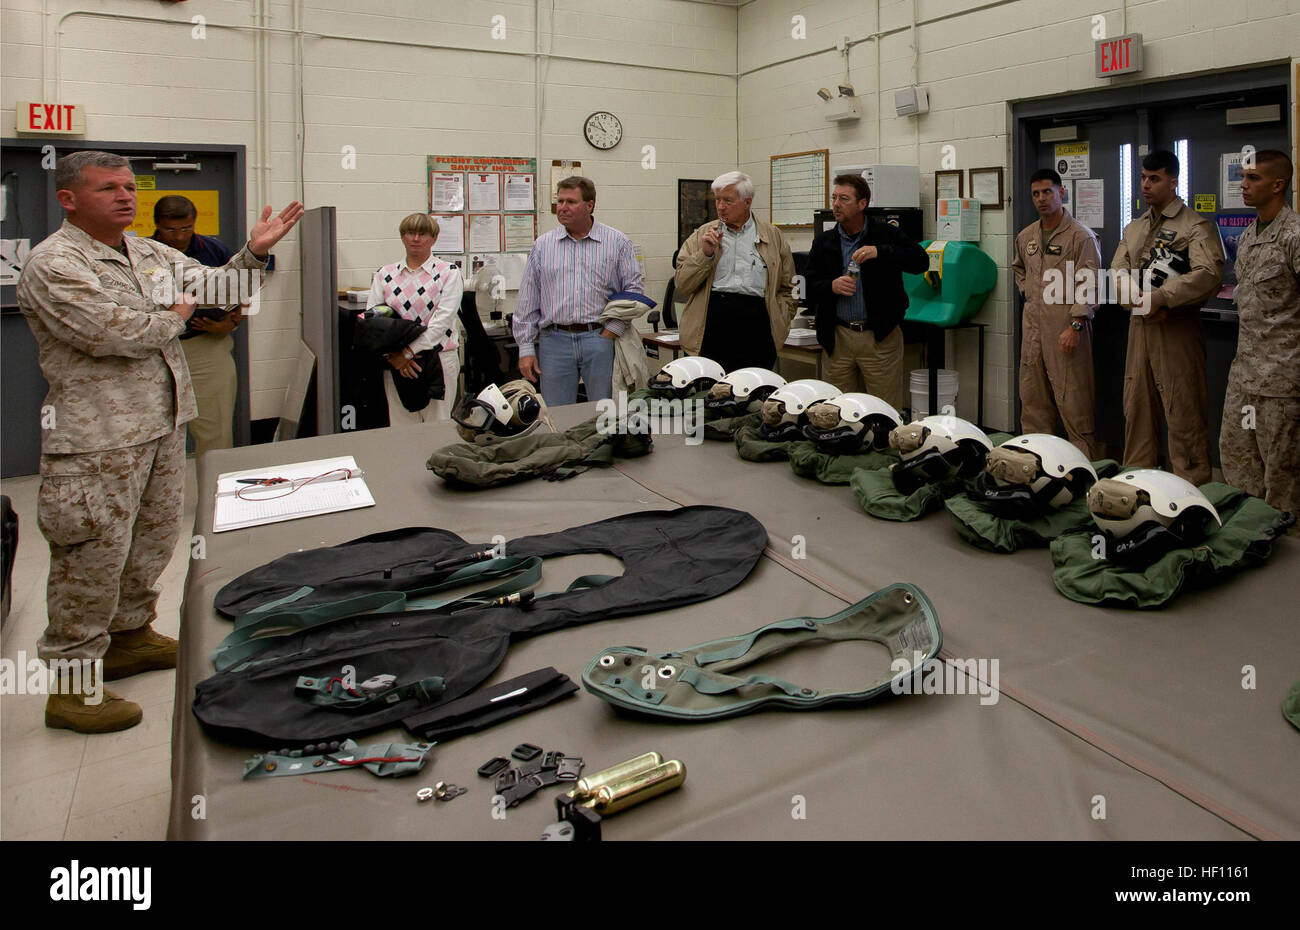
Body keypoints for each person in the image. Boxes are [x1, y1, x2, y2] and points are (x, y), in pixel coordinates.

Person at [16, 150, 303, 733]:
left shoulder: (148, 253)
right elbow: (114, 333)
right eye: (108, 188)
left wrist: (254, 253)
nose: (125, 196)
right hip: (96, 439)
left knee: (151, 541)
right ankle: (70, 687)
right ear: (69, 199)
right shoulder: (55, 263)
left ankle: (128, 636)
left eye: (128, 187)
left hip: (162, 424)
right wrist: (177, 316)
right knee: (90, 556)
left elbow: (221, 287)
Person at [1112, 149, 1224, 486]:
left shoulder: (1195, 226)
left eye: (1154, 179)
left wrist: (1161, 297)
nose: (1146, 185)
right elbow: (1117, 269)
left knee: (1183, 412)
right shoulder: (1135, 227)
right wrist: (1135, 298)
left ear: (1173, 182)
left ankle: (1191, 491)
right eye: (1143, 178)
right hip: (1139, 329)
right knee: (1136, 410)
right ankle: (1136, 486)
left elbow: (1208, 275)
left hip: (1176, 331)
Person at [1218, 149, 1300, 519]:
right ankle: (1247, 535)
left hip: (1282, 383)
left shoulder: (1294, 235)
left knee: (1282, 476)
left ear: (1277, 185)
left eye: (1253, 178)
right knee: (1238, 460)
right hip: (1245, 378)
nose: (1244, 185)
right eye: (1243, 178)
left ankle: (1285, 543)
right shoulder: (1249, 237)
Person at [512, 177, 643, 406]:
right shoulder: (543, 245)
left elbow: (633, 292)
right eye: (560, 201)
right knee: (557, 414)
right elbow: (528, 298)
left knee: (605, 411)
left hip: (600, 337)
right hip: (554, 341)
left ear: (589, 205)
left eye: (571, 202)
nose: (562, 207)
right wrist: (525, 347)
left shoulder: (617, 242)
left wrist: (611, 331)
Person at [806, 174, 928, 408]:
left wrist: (881, 252)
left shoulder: (886, 234)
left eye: (844, 199)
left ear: (862, 204)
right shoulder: (823, 242)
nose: (836, 204)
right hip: (838, 337)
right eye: (834, 198)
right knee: (838, 410)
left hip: (879, 337)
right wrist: (831, 286)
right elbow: (807, 286)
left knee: (882, 409)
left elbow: (920, 261)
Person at [1011, 168, 1103, 458]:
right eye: (1036, 194)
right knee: (1033, 401)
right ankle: (1036, 461)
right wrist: (1028, 291)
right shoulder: (1027, 236)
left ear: (1061, 193)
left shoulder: (1080, 237)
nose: (1041, 198)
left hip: (1066, 329)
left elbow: (1091, 283)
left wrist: (1076, 325)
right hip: (1033, 331)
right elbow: (1018, 268)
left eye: (1047, 192)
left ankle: (1082, 465)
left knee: (1074, 403)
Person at [674, 171, 796, 371]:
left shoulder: (773, 236)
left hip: (758, 326)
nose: (720, 206)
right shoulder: (702, 235)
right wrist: (705, 255)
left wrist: (782, 317)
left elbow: (790, 286)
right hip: (712, 325)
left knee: (752, 386)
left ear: (747, 202)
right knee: (712, 386)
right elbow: (682, 284)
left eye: (728, 200)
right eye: (717, 200)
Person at [150, 195, 242, 455]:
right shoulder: (142, 254)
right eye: (171, 230)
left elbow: (245, 292)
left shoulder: (215, 250)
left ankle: (214, 480)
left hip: (205, 346)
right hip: (157, 350)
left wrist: (231, 323)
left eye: (186, 228)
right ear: (157, 225)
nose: (179, 237)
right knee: (155, 430)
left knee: (215, 430)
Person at [365, 213, 464, 424]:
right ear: (402, 237)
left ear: (434, 239)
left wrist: (409, 353)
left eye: (423, 234)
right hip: (396, 362)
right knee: (401, 429)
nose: (416, 238)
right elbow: (374, 322)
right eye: (410, 233)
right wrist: (396, 357)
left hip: (438, 359)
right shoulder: (384, 274)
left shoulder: (449, 272)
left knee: (436, 428)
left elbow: (441, 323)